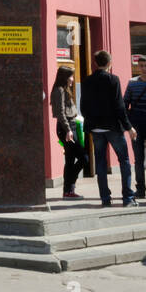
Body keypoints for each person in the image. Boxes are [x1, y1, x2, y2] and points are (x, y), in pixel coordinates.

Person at [80, 50, 137, 207]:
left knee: (100, 163)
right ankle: (127, 197)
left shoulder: (87, 81)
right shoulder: (113, 79)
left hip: (96, 129)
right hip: (113, 127)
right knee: (124, 161)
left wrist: (91, 122)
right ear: (109, 63)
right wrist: (129, 127)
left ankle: (105, 198)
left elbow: (83, 107)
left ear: (95, 63)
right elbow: (119, 106)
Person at [123, 57, 146, 201]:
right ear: (138, 67)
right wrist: (129, 126)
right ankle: (141, 190)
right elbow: (125, 104)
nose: (144, 68)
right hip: (136, 126)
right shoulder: (132, 84)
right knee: (138, 159)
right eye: (142, 66)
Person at [50, 67, 86, 199]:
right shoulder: (59, 90)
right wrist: (68, 130)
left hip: (71, 125)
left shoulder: (64, 89)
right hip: (66, 128)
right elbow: (60, 113)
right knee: (84, 158)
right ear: (64, 77)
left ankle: (68, 191)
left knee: (70, 160)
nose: (72, 79)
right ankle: (70, 185)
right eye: (70, 76)